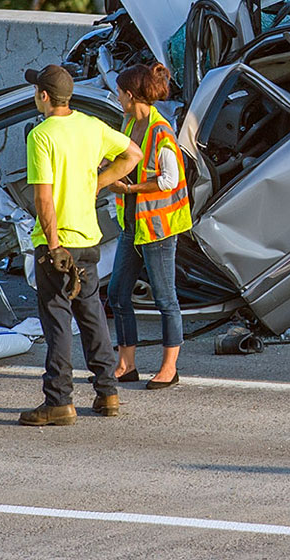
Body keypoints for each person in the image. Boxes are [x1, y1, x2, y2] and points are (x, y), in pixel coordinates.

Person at [18, 63, 141, 427]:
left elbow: (43, 198)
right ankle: (107, 393)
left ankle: (58, 400)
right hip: (88, 242)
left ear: (43, 96)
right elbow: (132, 154)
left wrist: (53, 244)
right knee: (91, 319)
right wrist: (97, 182)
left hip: (58, 247)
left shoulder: (41, 135)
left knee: (57, 323)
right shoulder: (91, 126)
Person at [109, 62, 190, 389]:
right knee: (116, 293)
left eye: (119, 92)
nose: (117, 97)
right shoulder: (129, 125)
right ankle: (126, 364)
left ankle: (169, 368)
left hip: (157, 229)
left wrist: (129, 189)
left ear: (130, 95)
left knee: (164, 298)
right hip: (133, 225)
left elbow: (169, 180)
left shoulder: (161, 132)